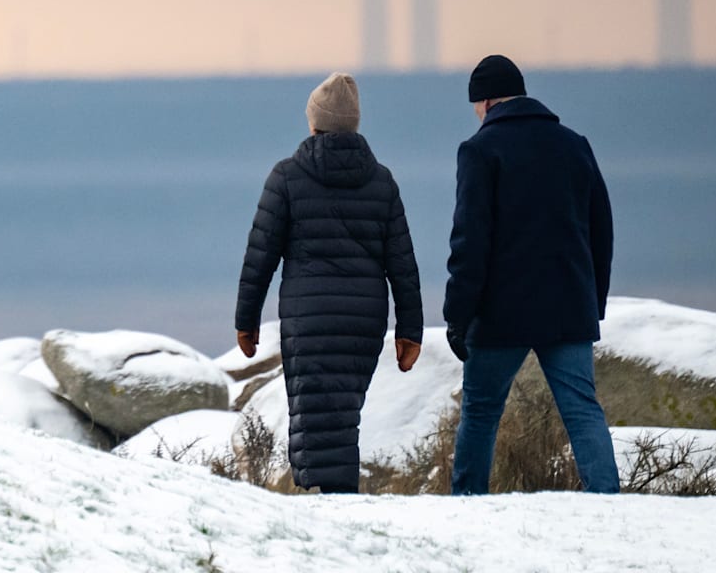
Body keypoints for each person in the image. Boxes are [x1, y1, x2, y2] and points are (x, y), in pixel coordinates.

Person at [236, 72, 424, 494]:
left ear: (314, 123)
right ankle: (330, 493)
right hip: (363, 320)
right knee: (341, 413)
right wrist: (409, 330)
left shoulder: (287, 176)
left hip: (309, 317)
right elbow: (403, 263)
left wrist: (246, 321)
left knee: (315, 411)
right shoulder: (382, 181)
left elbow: (259, 257)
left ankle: (328, 497)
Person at [443, 54, 620, 495]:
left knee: (481, 413)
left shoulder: (480, 151)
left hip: (501, 315)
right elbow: (601, 230)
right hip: (568, 307)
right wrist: (592, 302)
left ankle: (466, 503)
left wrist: (457, 316)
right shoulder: (574, 144)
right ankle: (608, 500)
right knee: (582, 410)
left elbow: (470, 241)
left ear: (486, 102)